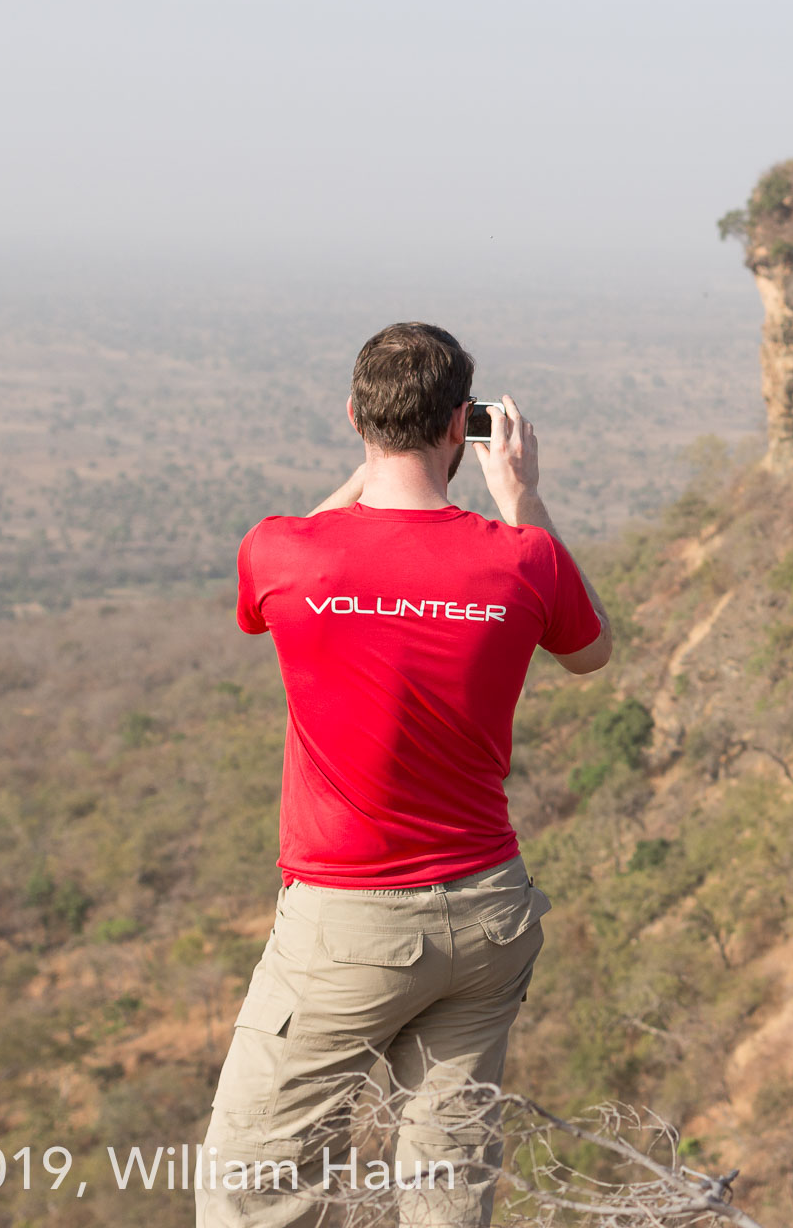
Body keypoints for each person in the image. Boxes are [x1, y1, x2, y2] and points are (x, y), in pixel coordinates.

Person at [199, 322, 612, 1227]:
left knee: (256, 1190)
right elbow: (591, 651)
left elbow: (282, 579)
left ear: (354, 417)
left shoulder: (282, 550)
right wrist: (523, 497)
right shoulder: (523, 558)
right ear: (463, 424)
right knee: (447, 1183)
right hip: (490, 914)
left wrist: (366, 477)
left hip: (350, 924)